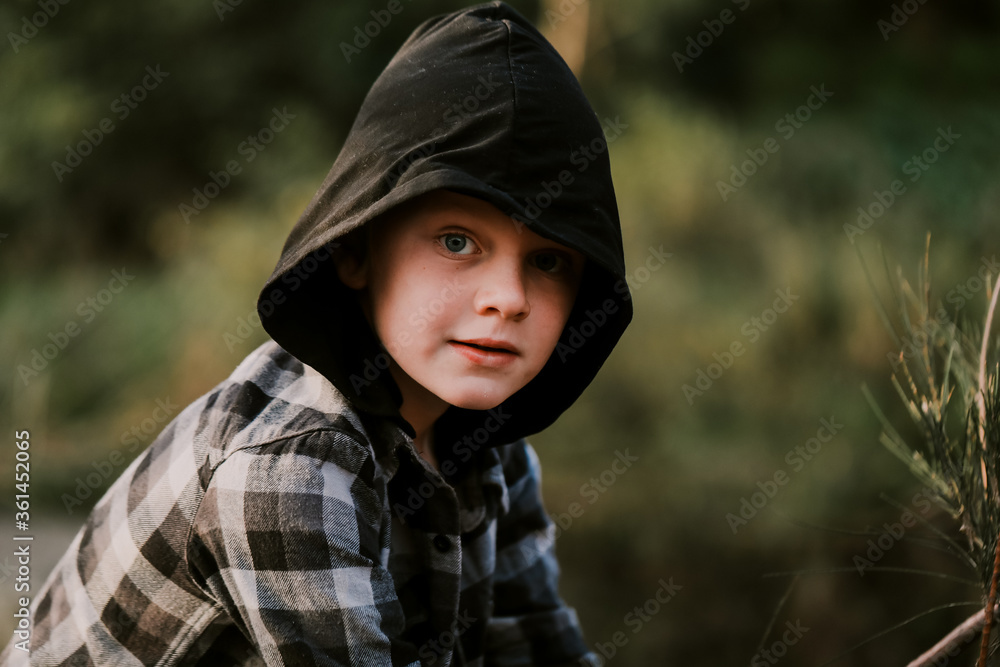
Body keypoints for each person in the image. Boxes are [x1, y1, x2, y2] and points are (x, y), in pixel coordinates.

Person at [3, 1, 632, 664]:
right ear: (355, 252)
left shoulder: (492, 449)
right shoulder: (287, 471)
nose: (509, 298)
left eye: (549, 261)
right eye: (457, 241)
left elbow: (535, 646)